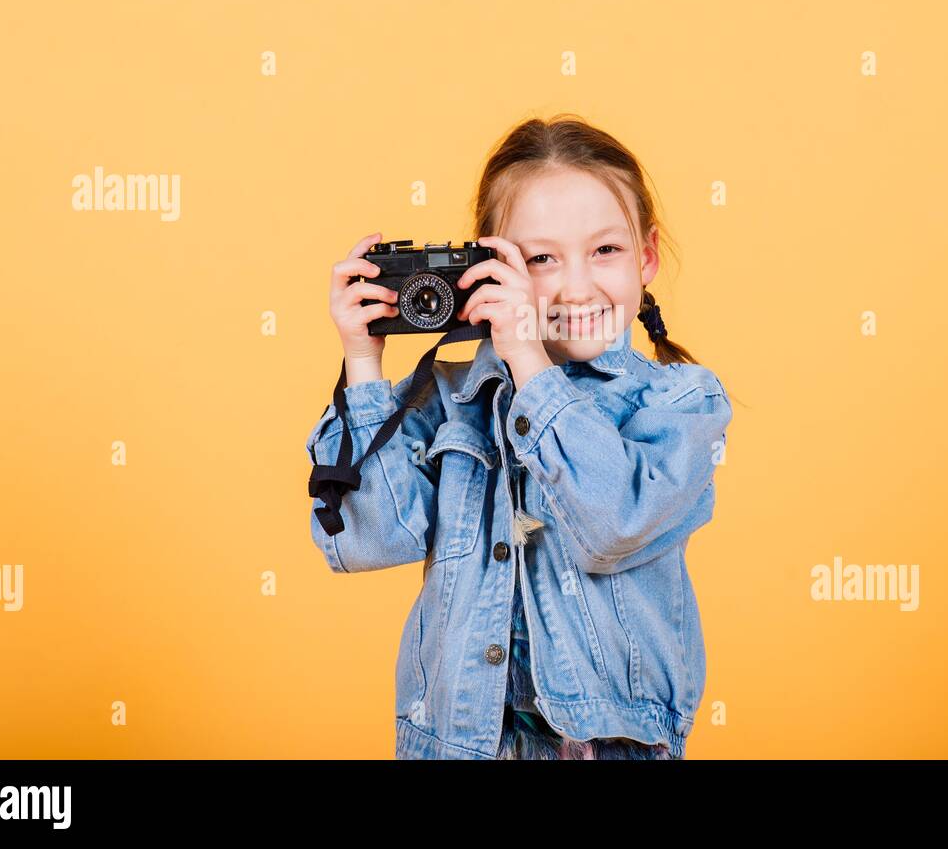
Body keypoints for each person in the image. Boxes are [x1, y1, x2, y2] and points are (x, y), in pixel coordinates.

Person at [306, 113, 733, 759]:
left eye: (605, 250)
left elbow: (613, 526)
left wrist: (531, 363)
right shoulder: (452, 396)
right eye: (539, 258)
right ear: (486, 265)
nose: (576, 285)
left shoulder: (679, 399)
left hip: (606, 746)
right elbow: (368, 537)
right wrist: (362, 363)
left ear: (646, 255)